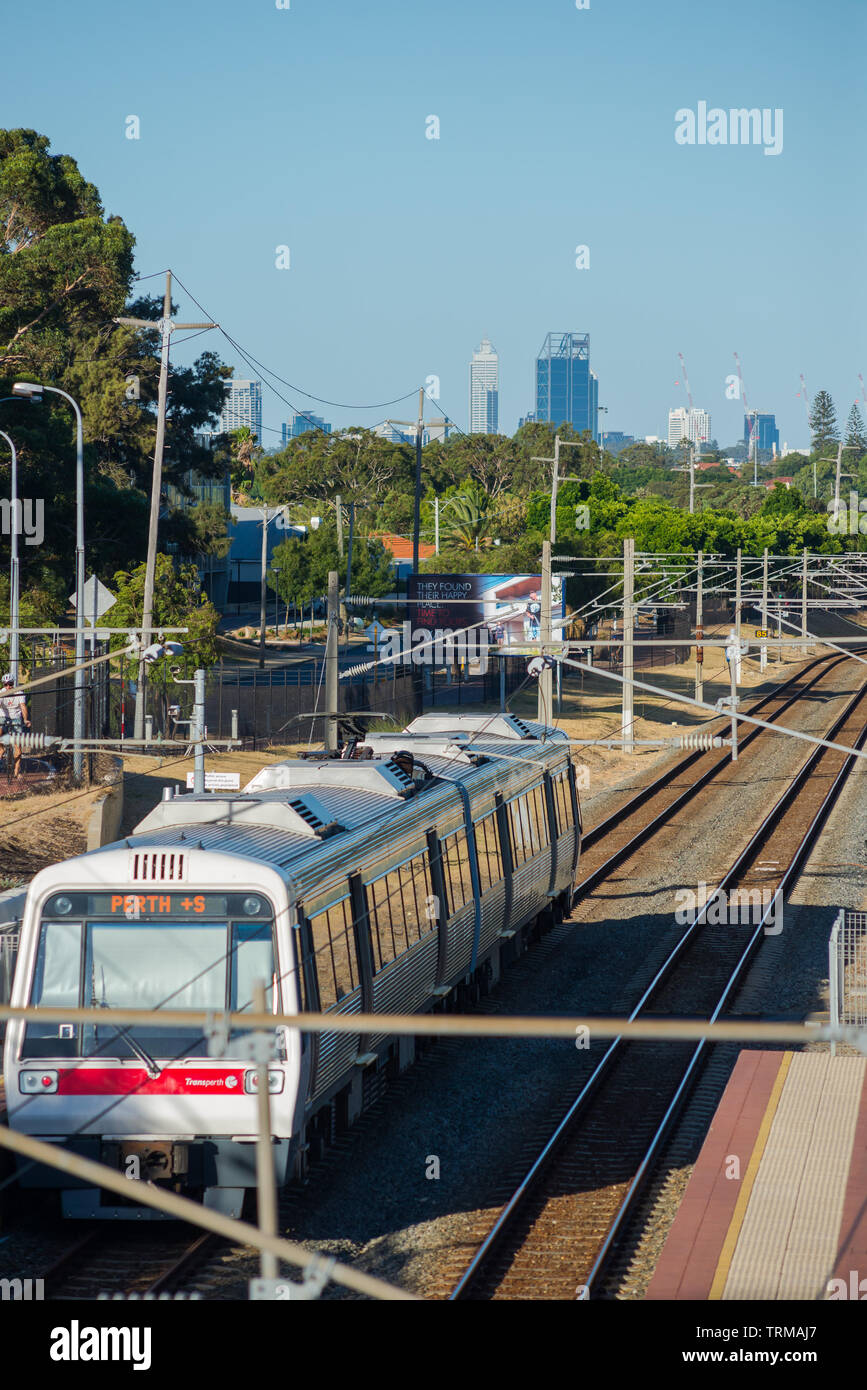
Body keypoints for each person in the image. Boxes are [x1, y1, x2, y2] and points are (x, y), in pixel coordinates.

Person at [0, 672, 31, 779]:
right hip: (4, 716)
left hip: (16, 718)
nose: (8, 687)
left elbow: (23, 707)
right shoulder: (1, 693)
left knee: (18, 745)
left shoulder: (19, 692)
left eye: (10, 684)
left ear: (14, 683)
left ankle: (16, 770)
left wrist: (26, 719)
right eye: (6, 684)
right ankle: (1, 749)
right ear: (3, 685)